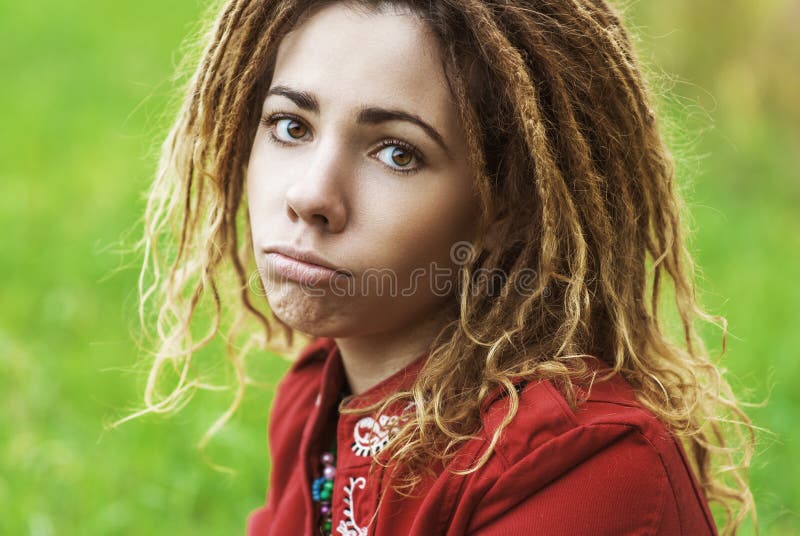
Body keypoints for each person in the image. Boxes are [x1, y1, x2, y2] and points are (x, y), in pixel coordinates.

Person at [131, 0, 758, 534]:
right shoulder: (314, 402)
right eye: (291, 125)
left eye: (397, 152)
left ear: (507, 207)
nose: (310, 195)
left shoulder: (587, 471)